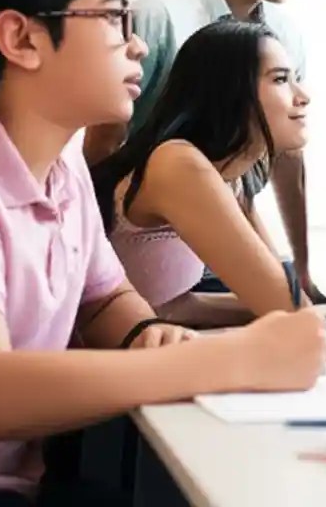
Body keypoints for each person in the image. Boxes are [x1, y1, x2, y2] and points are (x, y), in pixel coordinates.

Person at [0, 0, 326, 506]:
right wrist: (226, 361)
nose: (136, 46)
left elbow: (105, 298)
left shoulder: (64, 172)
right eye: (113, 19)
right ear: (21, 38)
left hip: (17, 481)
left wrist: (149, 334)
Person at [82, 0, 326, 300]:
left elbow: (284, 158)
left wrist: (302, 267)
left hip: (228, 246)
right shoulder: (157, 19)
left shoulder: (287, 36)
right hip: (149, 253)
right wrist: (91, 272)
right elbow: (102, 146)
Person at [91, 19, 313, 327]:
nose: (302, 96)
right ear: (230, 92)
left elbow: (172, 306)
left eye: (295, 79)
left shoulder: (231, 173)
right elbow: (289, 306)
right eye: (280, 79)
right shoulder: (178, 165)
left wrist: (292, 304)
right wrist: (291, 306)